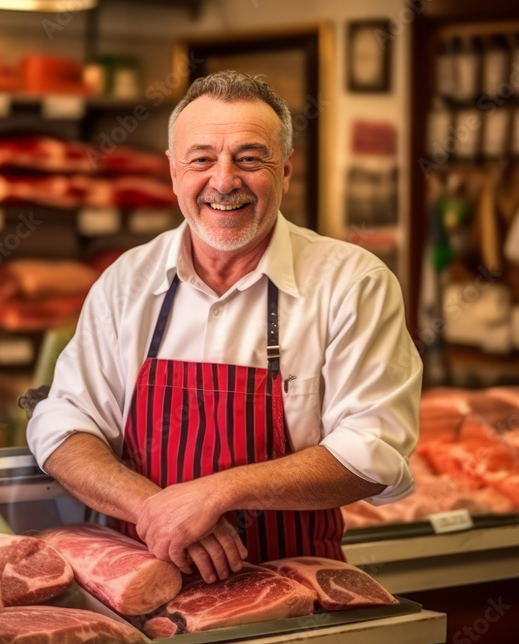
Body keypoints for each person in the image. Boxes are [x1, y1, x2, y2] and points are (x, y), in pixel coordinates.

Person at [28, 70, 421, 584]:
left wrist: (215, 494)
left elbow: (374, 451)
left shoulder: (353, 283)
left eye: (250, 158)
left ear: (285, 173)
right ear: (173, 172)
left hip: (292, 592)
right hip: (137, 587)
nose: (223, 180)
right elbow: (64, 425)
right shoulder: (127, 281)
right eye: (201, 158)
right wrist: (157, 509)